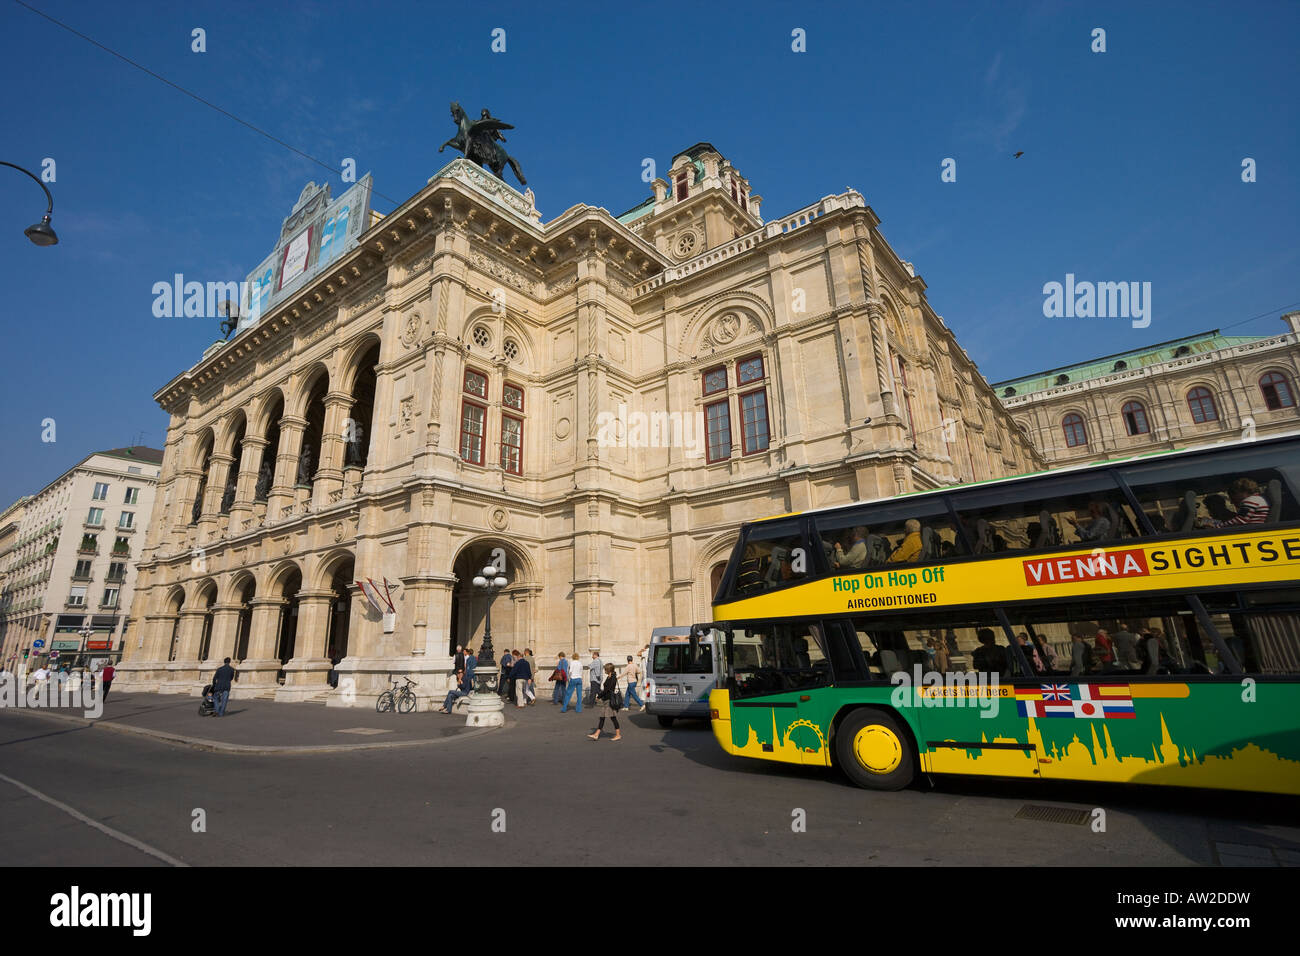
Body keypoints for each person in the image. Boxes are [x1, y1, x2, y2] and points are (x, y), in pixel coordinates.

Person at [587, 663, 622, 741]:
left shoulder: (613, 678)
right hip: (606, 700)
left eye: (605, 669)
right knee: (602, 717)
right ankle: (596, 734)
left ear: (608, 670)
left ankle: (618, 735)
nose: (604, 670)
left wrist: (599, 696)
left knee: (613, 717)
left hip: (609, 700)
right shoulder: (609, 677)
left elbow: (607, 689)